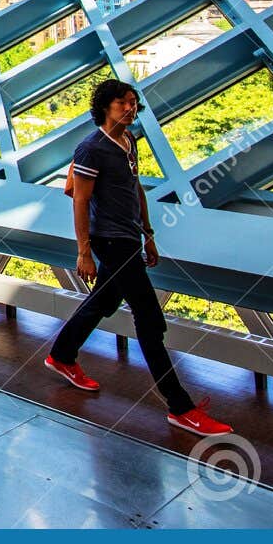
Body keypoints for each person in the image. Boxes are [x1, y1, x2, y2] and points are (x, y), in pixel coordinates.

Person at [45, 80, 231, 436]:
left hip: (129, 239)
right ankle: (181, 407)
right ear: (104, 107)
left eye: (133, 103)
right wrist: (84, 251)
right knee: (149, 319)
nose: (130, 109)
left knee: (103, 302)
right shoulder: (91, 149)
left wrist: (148, 235)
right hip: (109, 242)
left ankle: (62, 355)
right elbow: (80, 200)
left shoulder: (128, 141)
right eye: (122, 103)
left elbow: (135, 189)